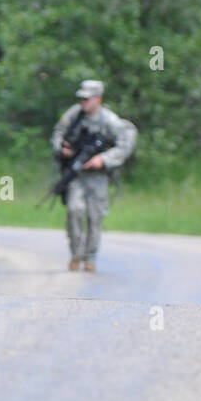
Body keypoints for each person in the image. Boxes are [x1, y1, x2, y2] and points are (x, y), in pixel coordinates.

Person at [50, 79, 137, 272]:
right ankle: (76, 254)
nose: (83, 102)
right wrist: (60, 148)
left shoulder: (109, 120)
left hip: (98, 176)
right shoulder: (74, 115)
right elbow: (58, 133)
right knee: (74, 210)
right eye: (81, 98)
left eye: (87, 99)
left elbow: (125, 143)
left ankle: (90, 258)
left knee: (94, 216)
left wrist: (104, 159)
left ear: (98, 98)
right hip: (76, 174)